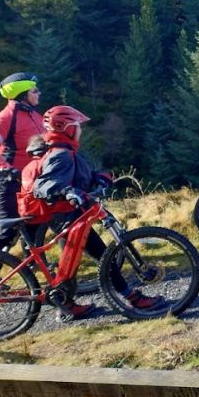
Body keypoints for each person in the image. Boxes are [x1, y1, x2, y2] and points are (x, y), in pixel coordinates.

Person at [30, 106, 165, 321]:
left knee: (70, 266)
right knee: (104, 257)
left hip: (70, 215)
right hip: (65, 216)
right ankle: (132, 298)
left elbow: (78, 176)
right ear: (64, 128)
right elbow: (43, 185)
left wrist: (99, 178)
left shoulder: (65, 150)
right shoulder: (60, 154)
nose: (80, 131)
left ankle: (65, 306)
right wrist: (67, 191)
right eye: (77, 127)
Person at [0, 72, 45, 285]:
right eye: (34, 90)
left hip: (29, 182)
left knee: (34, 223)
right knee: (8, 230)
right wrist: (4, 168)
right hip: (7, 181)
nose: (39, 93)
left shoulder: (35, 115)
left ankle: (33, 266)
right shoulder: (5, 118)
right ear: (22, 94)